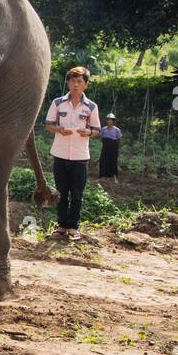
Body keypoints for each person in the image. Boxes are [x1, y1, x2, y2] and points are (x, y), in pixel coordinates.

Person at [44, 65, 100, 241]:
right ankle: (61, 226)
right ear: (68, 82)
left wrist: (88, 133)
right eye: (72, 81)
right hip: (60, 153)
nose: (75, 84)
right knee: (61, 191)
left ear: (86, 85)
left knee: (77, 193)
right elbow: (48, 124)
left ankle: (73, 227)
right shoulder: (58, 103)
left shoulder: (91, 106)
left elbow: (97, 129)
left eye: (79, 81)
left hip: (80, 156)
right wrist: (59, 129)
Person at [99, 113, 122, 180]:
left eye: (111, 120)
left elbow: (119, 139)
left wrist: (116, 147)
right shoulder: (103, 129)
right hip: (105, 147)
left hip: (113, 147)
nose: (109, 121)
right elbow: (101, 138)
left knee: (113, 161)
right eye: (108, 120)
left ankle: (114, 175)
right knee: (103, 160)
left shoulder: (117, 130)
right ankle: (102, 175)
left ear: (113, 121)